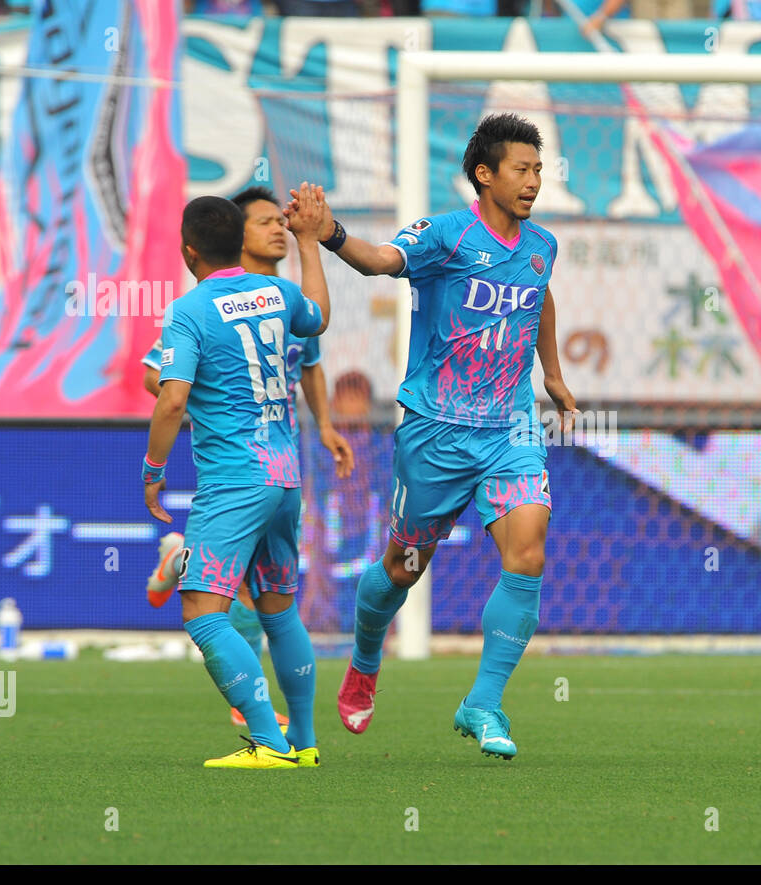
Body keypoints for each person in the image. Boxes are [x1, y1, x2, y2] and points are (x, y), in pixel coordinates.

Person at [287, 113, 577, 760]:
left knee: (528, 552)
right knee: (403, 566)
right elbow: (381, 262)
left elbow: (540, 296)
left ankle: (484, 700)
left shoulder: (541, 244)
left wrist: (551, 374)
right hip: (435, 432)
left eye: (538, 169)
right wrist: (327, 232)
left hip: (509, 426)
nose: (534, 181)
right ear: (485, 174)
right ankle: (365, 659)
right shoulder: (445, 234)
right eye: (522, 169)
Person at [143, 185, 353, 730]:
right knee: (279, 609)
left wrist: (153, 471)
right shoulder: (274, 295)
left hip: (236, 479)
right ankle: (303, 738)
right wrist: (312, 243)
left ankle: (265, 737)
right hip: (286, 477)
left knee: (202, 614)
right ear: (240, 239)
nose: (278, 229)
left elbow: (170, 396)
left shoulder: (187, 312)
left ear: (188, 251)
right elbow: (319, 320)